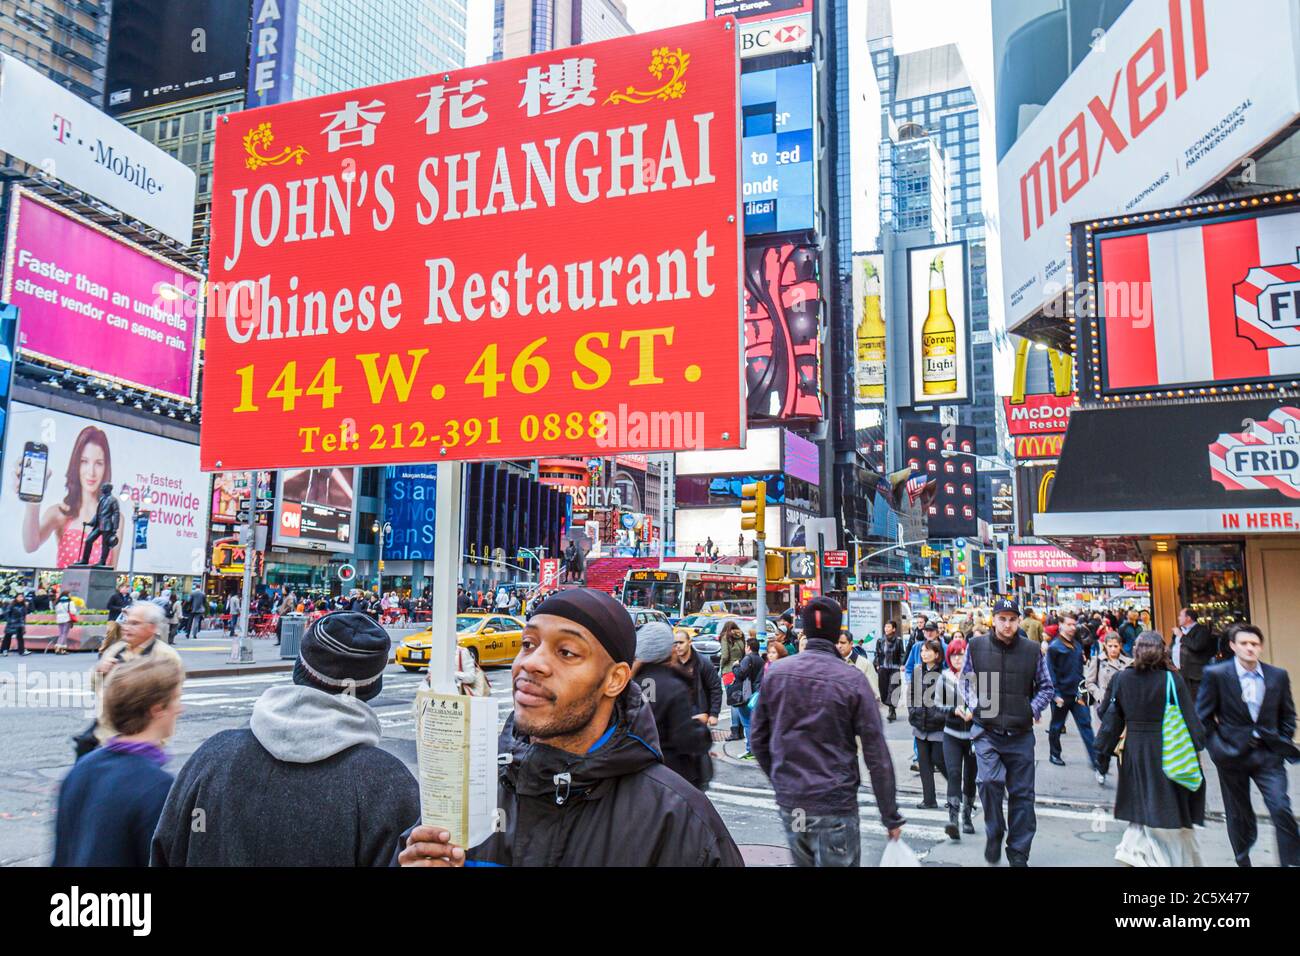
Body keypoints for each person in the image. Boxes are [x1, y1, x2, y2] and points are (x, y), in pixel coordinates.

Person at [396, 588, 743, 867]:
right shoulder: (464, 790)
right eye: (528, 644)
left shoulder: (681, 823)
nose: (531, 663)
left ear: (615, 679)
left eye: (566, 652)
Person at [152, 611, 420, 866]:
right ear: (371, 688)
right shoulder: (388, 783)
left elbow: (164, 849)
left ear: (299, 669)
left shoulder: (212, 755)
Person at [749, 597, 904, 867]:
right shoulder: (851, 679)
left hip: (793, 804)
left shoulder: (777, 673)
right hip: (834, 803)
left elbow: (758, 739)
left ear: (804, 631)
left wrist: (782, 781)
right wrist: (889, 815)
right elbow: (876, 753)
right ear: (836, 633)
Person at [54, 656, 184, 866]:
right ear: (157, 709)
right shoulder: (157, 786)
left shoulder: (83, 767)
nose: (180, 708)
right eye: (177, 698)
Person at [1094, 632, 1207, 866]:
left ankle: (1138, 853)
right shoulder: (1172, 680)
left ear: (1135, 650)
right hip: (1169, 750)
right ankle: (1161, 856)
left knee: (1141, 804)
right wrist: (1198, 747)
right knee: (1167, 806)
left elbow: (1108, 715)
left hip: (1135, 750)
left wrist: (1103, 752)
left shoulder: (1122, 679)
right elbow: (1190, 719)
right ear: (1163, 651)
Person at [1196, 624, 1300, 868]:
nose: (1249, 648)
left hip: (1267, 755)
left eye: (1254, 644)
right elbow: (1203, 717)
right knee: (1239, 814)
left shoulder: (1277, 675)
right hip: (1231, 755)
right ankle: (1243, 859)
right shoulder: (1217, 674)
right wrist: (1217, 748)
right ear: (1233, 646)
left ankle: (1292, 862)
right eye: (1244, 643)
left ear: (1260, 647)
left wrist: (1281, 740)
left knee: (1281, 808)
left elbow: (1288, 714)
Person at [960, 598, 1054, 866]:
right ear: (994, 620)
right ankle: (995, 829)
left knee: (1023, 797)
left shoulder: (1032, 650)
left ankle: (1018, 854)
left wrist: (1031, 710)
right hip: (986, 732)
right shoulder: (976, 646)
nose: (1008, 624)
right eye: (1002, 618)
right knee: (988, 782)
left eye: (1012, 619)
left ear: (1018, 621)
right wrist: (977, 706)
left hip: (1021, 735)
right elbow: (965, 681)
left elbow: (1047, 687)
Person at [16, 425, 121, 569]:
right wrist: (33, 500)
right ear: (76, 464)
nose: (91, 472)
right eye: (84, 461)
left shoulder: (117, 516)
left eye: (99, 463)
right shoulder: (59, 512)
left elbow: (113, 570)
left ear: (105, 467)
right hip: (65, 590)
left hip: (98, 588)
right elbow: (30, 546)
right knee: (90, 541)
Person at [87, 601, 183, 754]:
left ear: (151, 627)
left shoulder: (166, 657)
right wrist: (99, 671)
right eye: (126, 622)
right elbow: (95, 688)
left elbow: (171, 702)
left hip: (142, 745)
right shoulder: (115, 650)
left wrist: (159, 741)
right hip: (107, 739)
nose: (126, 627)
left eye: (134, 623)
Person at [633, 622, 713, 790]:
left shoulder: (632, 685)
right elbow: (685, 739)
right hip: (672, 778)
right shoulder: (673, 686)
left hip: (637, 776)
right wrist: (701, 730)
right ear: (667, 650)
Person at [1045, 612, 1100, 778]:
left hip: (1077, 693)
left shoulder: (1076, 645)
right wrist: (1055, 694)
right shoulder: (1054, 647)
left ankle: (1095, 758)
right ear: (1061, 625)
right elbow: (1050, 672)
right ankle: (1054, 754)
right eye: (1068, 624)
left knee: (1085, 725)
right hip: (1062, 694)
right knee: (1056, 726)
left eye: (1073, 624)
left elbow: (1078, 670)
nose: (1072, 627)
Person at [938, 638, 977, 839]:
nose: (957, 658)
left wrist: (973, 712)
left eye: (961, 654)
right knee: (954, 774)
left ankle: (967, 816)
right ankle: (953, 820)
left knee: (970, 778)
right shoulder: (943, 678)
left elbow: (986, 703)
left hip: (972, 736)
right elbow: (936, 705)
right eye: (953, 654)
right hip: (951, 734)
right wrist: (953, 710)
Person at [907, 638, 949, 810]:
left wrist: (941, 716)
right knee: (924, 764)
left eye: (928, 650)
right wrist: (912, 712)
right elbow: (911, 695)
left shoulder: (944, 675)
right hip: (920, 725)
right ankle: (929, 799)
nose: (924, 653)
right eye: (922, 651)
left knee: (940, 761)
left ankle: (956, 795)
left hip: (938, 727)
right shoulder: (918, 671)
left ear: (937, 654)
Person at [671, 629, 721, 741]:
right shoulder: (671, 663)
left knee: (697, 748)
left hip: (698, 712)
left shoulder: (702, 663)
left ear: (689, 642)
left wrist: (714, 714)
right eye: (675, 643)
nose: (678, 646)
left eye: (681, 642)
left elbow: (715, 687)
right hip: (677, 714)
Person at [1084, 633, 1132, 734]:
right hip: (1103, 705)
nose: (1113, 649)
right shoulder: (1097, 661)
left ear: (1120, 646)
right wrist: (1099, 695)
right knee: (1103, 737)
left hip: (1122, 705)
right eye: (1110, 646)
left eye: (1116, 646)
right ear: (1105, 645)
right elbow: (1089, 682)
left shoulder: (1128, 662)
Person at [730, 637, 764, 758]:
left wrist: (735, 667)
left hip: (746, 696)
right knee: (753, 723)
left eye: (746, 646)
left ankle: (750, 750)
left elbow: (741, 674)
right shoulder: (760, 659)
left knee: (747, 723)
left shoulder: (747, 659)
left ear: (748, 647)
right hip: (756, 695)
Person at [1173, 608, 1214, 705]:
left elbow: (1197, 646)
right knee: (1184, 700)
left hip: (1195, 674)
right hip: (1181, 671)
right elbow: (1174, 647)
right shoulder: (1179, 630)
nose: (1178, 618)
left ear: (1188, 618)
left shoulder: (1202, 630)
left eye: (1180, 616)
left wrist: (1181, 636)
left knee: (1196, 701)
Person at [718, 620, 747, 742]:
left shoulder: (726, 637)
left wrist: (721, 667)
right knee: (739, 699)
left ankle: (735, 731)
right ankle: (740, 730)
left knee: (733, 701)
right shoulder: (741, 636)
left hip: (729, 670)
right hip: (739, 669)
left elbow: (724, 655)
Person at [873, 620, 904, 721]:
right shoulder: (880, 641)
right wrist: (877, 664)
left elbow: (902, 654)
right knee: (884, 690)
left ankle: (892, 710)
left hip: (895, 668)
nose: (886, 629)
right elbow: (877, 654)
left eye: (889, 627)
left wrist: (902, 664)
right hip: (883, 668)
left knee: (893, 688)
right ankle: (889, 705)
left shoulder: (899, 640)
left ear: (894, 629)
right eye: (885, 627)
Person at [1, 592, 30, 656]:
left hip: (20, 624)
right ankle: (4, 650)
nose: (20, 598)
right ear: (16, 598)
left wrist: (24, 625)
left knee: (20, 638)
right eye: (19, 597)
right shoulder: (11, 605)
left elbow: (24, 616)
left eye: (22, 597)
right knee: (7, 638)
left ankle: (21, 651)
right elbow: (6, 613)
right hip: (11, 624)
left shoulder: (24, 606)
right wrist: (9, 620)